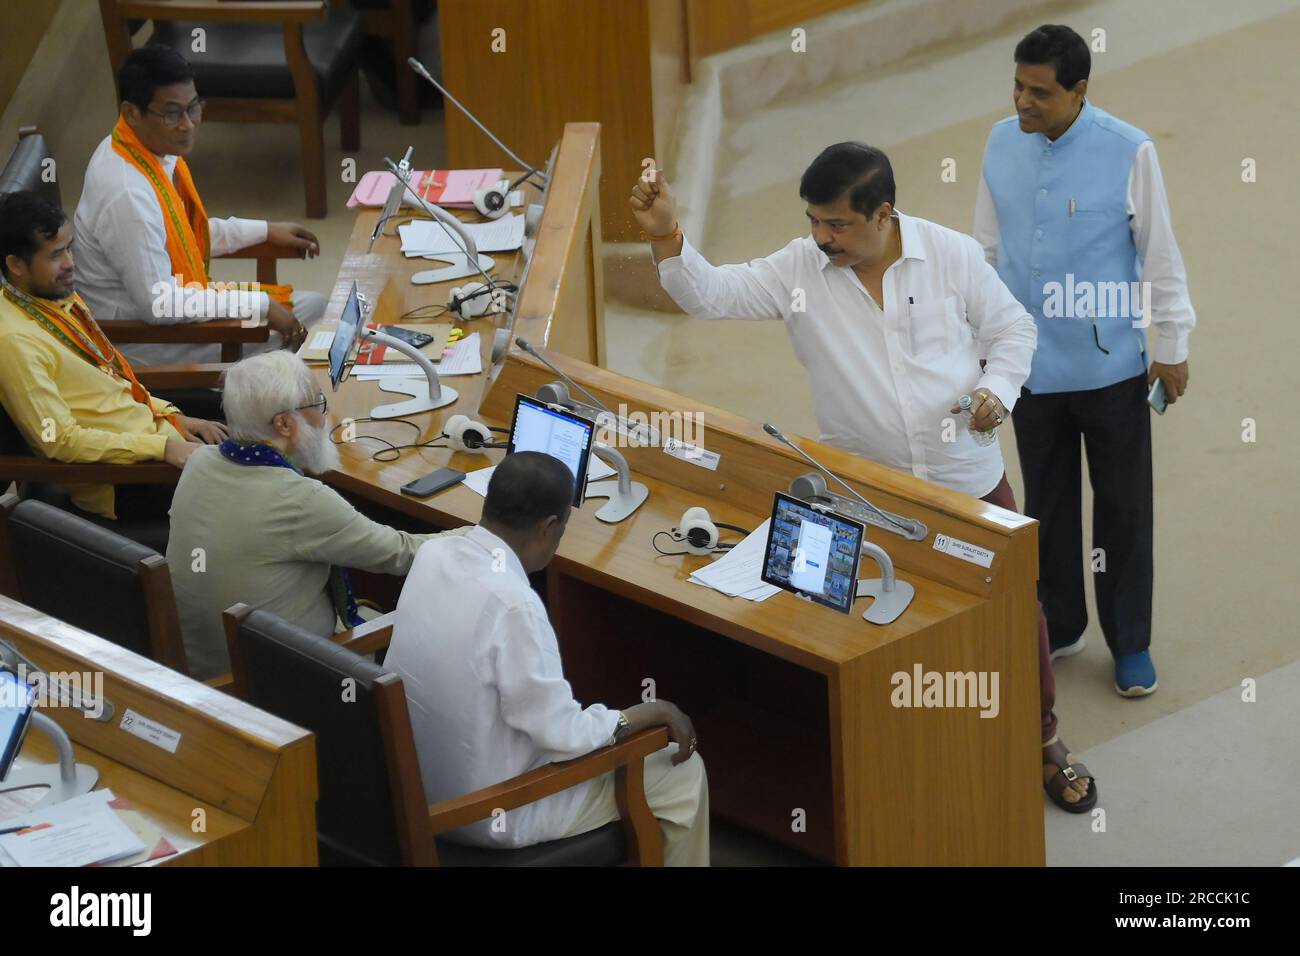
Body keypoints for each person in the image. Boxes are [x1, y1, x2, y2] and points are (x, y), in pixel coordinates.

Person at [632, 143, 1095, 812]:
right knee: (871, 629)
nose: (822, 238)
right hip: (863, 493)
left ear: (884, 213)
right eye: (814, 221)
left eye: (838, 225)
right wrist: (668, 236)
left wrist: (998, 387)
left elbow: (1012, 327)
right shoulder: (800, 269)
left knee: (1017, 619)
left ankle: (1043, 739)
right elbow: (708, 296)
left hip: (966, 479)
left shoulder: (951, 254)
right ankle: (908, 755)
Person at [976, 25, 1196, 697]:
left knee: (1123, 508)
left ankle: (1130, 642)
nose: (1023, 102)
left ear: (1079, 91)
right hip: (1030, 368)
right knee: (1046, 503)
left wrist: (1172, 346)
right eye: (1017, 85)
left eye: (1040, 92)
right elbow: (984, 249)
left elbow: (1159, 253)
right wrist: (978, 345)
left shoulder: (1130, 151)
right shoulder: (998, 142)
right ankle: (1062, 622)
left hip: (1111, 372)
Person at [385, 452, 711, 863]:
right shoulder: (514, 605)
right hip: (487, 812)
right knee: (680, 773)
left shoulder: (435, 555)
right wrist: (648, 712)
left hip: (414, 790)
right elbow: (564, 738)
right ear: (550, 526)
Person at [166, 351, 459, 680]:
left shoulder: (199, 462)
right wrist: (482, 535)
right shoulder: (301, 501)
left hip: (203, 670)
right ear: (285, 424)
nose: (325, 414)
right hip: (284, 682)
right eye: (317, 404)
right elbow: (403, 554)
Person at [73, 44, 326, 366]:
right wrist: (259, 306)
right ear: (131, 113)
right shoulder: (127, 193)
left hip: (165, 318)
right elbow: (159, 304)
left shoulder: (134, 147)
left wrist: (265, 231)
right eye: (172, 113)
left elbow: (184, 233)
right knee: (310, 334)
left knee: (318, 308)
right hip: (144, 341)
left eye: (193, 107)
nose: (188, 124)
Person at [0, 190, 223, 526]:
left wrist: (173, 417)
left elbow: (111, 380)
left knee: (276, 441)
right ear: (16, 265)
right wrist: (161, 448)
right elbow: (58, 441)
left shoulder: (52, 295)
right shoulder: (14, 341)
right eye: (56, 255)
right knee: (270, 494)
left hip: (159, 441)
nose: (70, 263)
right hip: (129, 480)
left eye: (69, 248)